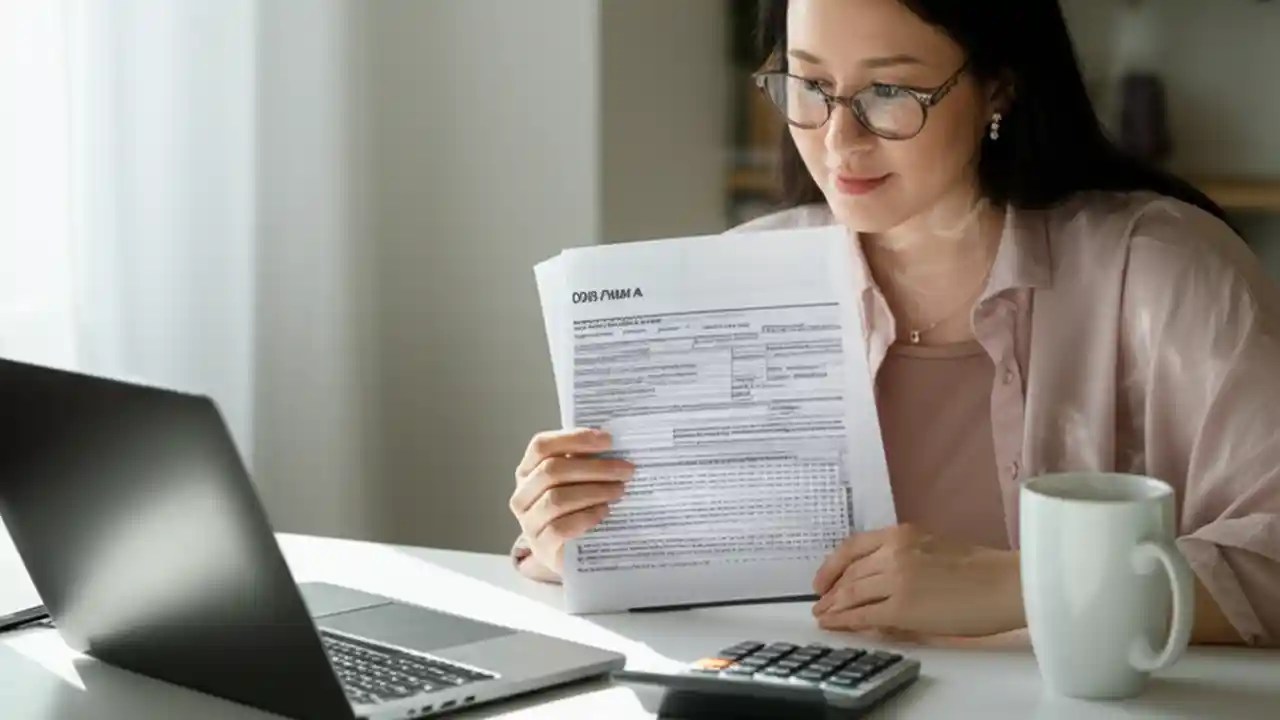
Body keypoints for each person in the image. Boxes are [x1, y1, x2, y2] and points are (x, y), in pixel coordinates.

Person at [507, 0, 1280, 647]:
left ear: (999, 88)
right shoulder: (739, 276)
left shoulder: (1161, 272)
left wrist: (1026, 587)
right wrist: (571, 539)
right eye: (809, 84)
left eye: (889, 93)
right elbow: (673, 577)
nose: (838, 140)